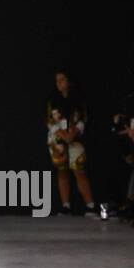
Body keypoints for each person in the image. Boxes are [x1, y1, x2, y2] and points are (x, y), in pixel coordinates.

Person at [45, 71, 96, 215]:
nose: (59, 83)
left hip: (75, 138)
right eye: (57, 81)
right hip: (58, 138)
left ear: (69, 81)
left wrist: (72, 134)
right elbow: (49, 120)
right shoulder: (52, 100)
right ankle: (65, 205)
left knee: (79, 168)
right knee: (62, 170)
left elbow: (82, 119)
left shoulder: (78, 99)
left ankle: (90, 205)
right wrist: (62, 135)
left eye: (62, 80)